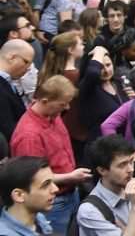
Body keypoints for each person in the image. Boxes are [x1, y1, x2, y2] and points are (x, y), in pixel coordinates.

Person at [9, 75, 91, 234]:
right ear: (45, 101)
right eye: (63, 104)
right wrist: (70, 177)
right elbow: (34, 178)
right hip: (52, 203)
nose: (67, 108)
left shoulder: (53, 114)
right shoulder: (29, 136)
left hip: (70, 194)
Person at [76, 134, 135, 235]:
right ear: (102, 170)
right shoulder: (90, 210)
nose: (131, 169)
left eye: (131, 161)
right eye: (122, 165)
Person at [0, 157, 56, 236]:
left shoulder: (39, 218)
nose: (55, 189)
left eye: (53, 182)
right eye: (46, 185)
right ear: (19, 195)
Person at [0, 40, 33, 141]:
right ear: (12, 57)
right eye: (26, 62)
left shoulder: (9, 81)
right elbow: (7, 128)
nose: (28, 69)